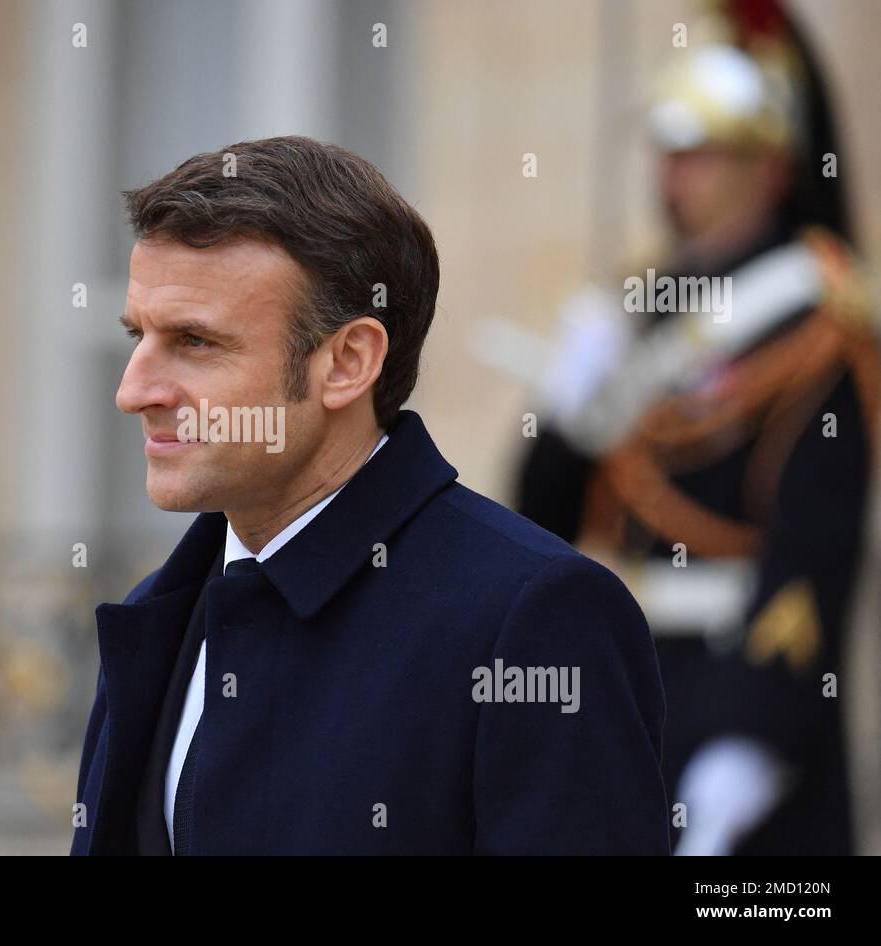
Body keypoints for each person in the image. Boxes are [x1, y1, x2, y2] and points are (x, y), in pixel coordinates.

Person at [71, 135, 670, 855]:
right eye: (139, 335)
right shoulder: (156, 613)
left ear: (348, 362)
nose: (134, 390)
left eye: (195, 342)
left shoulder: (533, 616)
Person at [515, 3, 877, 855]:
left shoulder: (815, 319)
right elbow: (541, 520)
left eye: (700, 154)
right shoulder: (641, 313)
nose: (672, 177)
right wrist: (570, 409)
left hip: (749, 702)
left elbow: (814, 546)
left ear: (770, 169)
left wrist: (754, 734)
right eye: (667, 153)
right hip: (632, 688)